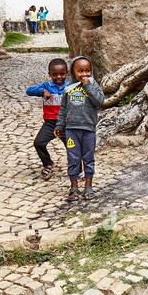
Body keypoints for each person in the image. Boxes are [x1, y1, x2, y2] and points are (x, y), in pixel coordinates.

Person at [56, 56, 103, 201]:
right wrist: (59, 124)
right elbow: (63, 108)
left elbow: (99, 102)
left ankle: (88, 187)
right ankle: (74, 187)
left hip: (88, 130)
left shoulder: (94, 85)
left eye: (87, 71)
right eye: (80, 71)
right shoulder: (68, 89)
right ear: (73, 72)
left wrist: (88, 86)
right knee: (73, 158)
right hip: (71, 131)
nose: (84, 74)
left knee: (88, 158)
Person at [25, 57, 68, 177]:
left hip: (66, 124)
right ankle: (47, 163)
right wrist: (42, 91)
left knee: (72, 147)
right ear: (50, 74)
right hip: (50, 124)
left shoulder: (70, 87)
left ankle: (77, 169)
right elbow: (29, 91)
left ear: (67, 73)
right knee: (38, 143)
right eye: (55, 74)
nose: (59, 77)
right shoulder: (47, 86)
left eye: (62, 74)